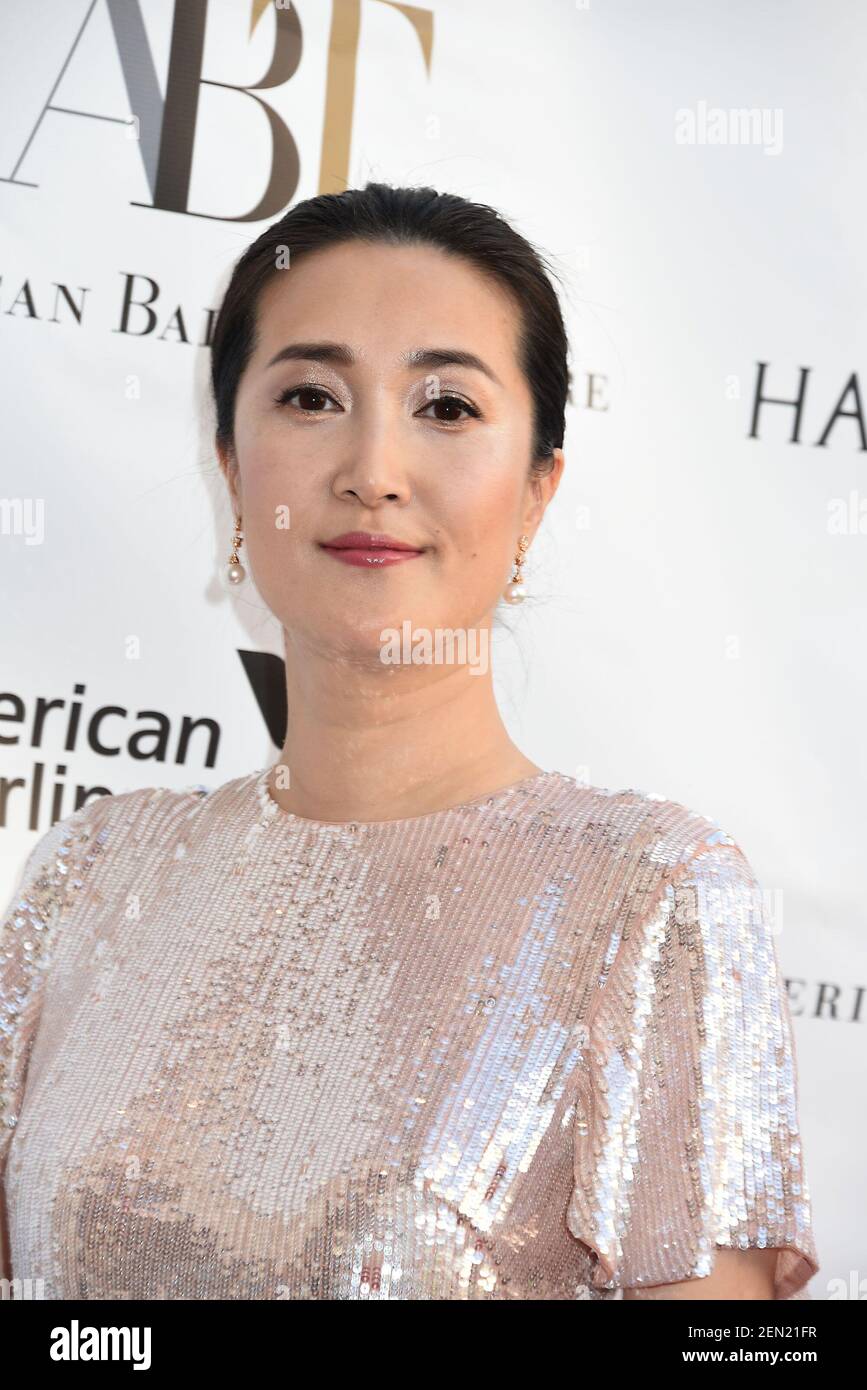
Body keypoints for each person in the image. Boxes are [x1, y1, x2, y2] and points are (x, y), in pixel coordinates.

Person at [0, 183, 818, 1300]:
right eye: (309, 396)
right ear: (232, 471)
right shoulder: (92, 877)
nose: (373, 468)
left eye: (445, 406)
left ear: (538, 490)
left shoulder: (654, 899)